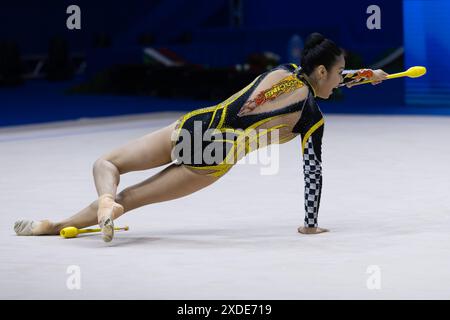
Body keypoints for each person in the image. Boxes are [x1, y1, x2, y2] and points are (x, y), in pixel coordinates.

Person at [14, 33, 387, 242]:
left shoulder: (284, 70)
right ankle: (102, 210)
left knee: (107, 164)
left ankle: (85, 210)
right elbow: (312, 174)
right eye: (340, 74)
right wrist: (310, 222)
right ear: (323, 70)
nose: (341, 81)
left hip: (194, 126)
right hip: (214, 159)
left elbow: (315, 78)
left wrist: (364, 75)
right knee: (132, 200)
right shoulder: (311, 119)